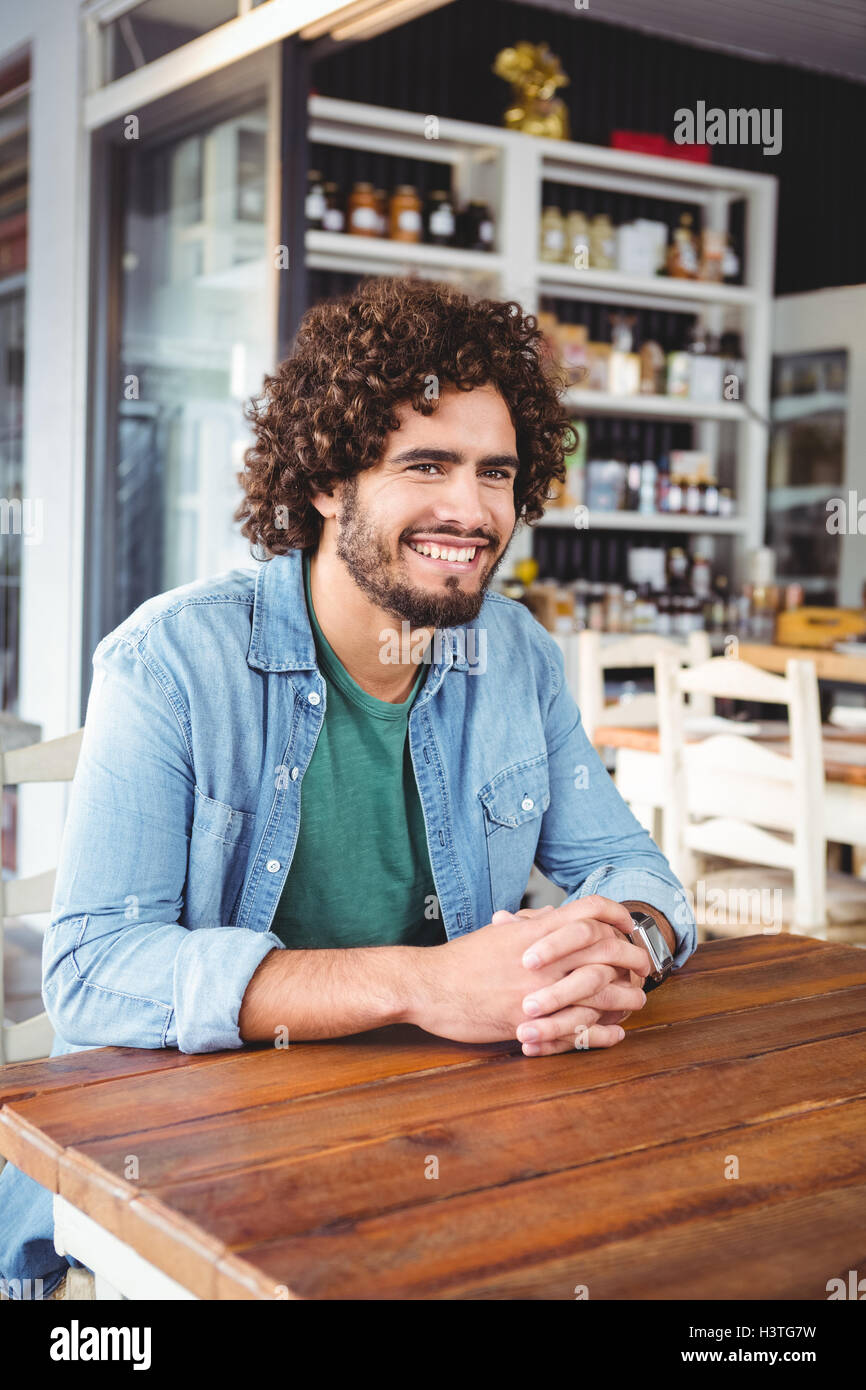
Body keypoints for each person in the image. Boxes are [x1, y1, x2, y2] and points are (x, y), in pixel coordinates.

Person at [0, 277, 695, 1298]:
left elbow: (628, 867)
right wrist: (424, 984)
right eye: (426, 465)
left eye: (495, 473)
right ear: (326, 481)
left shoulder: (517, 657)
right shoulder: (173, 661)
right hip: (186, 1151)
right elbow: (95, 969)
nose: (470, 510)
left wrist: (613, 946)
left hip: (431, 1130)